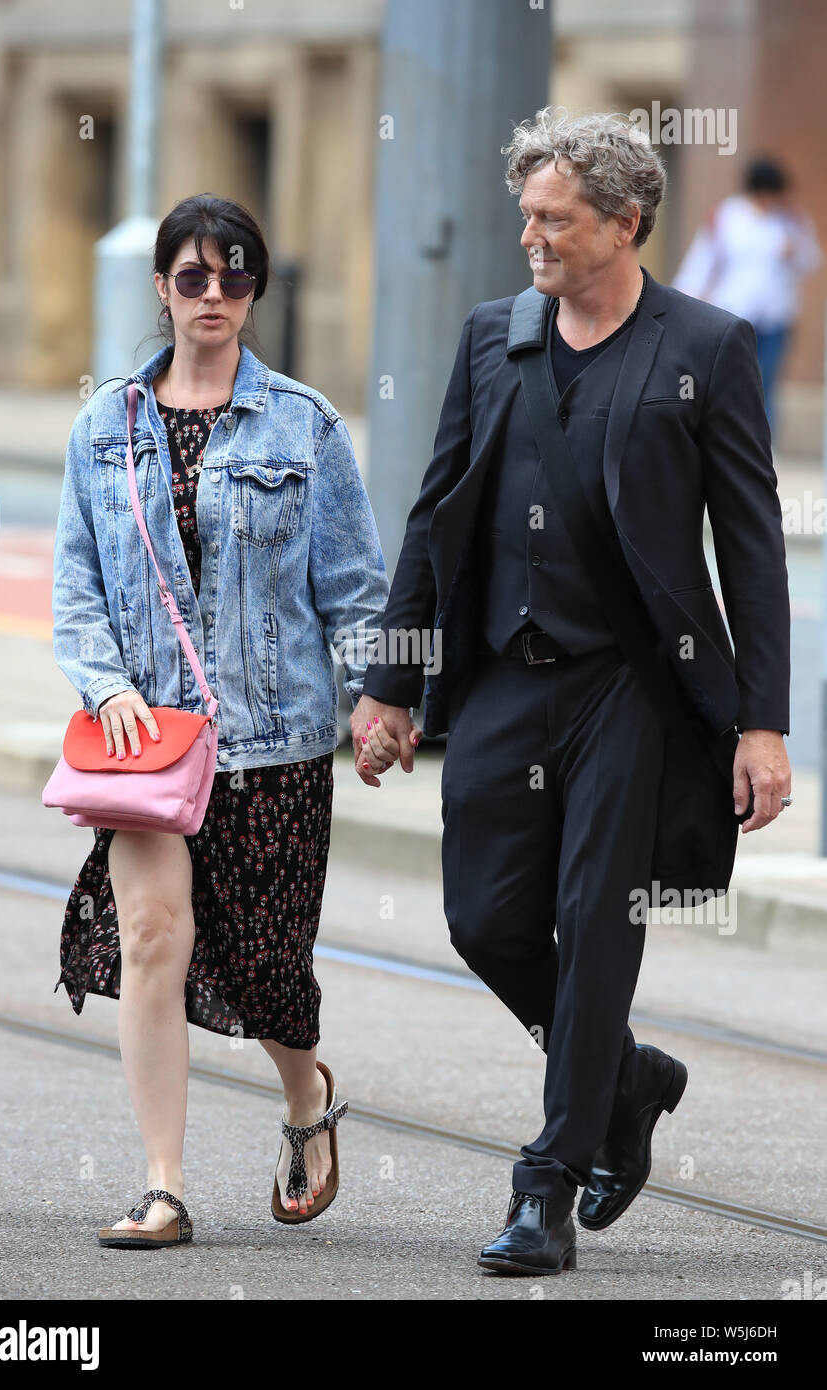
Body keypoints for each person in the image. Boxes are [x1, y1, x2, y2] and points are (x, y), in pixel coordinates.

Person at [353, 108, 791, 1276]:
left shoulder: (705, 346)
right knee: (485, 919)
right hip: (504, 675)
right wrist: (391, 681)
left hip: (632, 691)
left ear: (623, 221)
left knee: (599, 927)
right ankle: (627, 1080)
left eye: (554, 220)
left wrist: (762, 722)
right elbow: (435, 512)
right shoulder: (496, 337)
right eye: (526, 217)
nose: (532, 238)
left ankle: (547, 1179)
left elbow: (751, 546)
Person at [51, 193, 389, 1245]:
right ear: (161, 288)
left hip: (278, 738)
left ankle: (304, 1091)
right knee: (154, 937)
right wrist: (105, 684)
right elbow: (77, 587)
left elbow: (355, 587)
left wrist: (379, 700)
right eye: (191, 276)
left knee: (267, 967)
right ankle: (163, 1185)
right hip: (147, 743)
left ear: (255, 290)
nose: (212, 294)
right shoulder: (103, 427)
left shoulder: (305, 423)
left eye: (232, 276)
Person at [673, 156, 821, 437]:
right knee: (735, 379)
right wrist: (685, 301)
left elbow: (812, 259)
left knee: (767, 381)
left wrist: (796, 251)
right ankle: (731, 439)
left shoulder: (792, 219)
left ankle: (764, 445)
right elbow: (701, 263)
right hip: (735, 314)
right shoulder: (728, 217)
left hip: (777, 317)